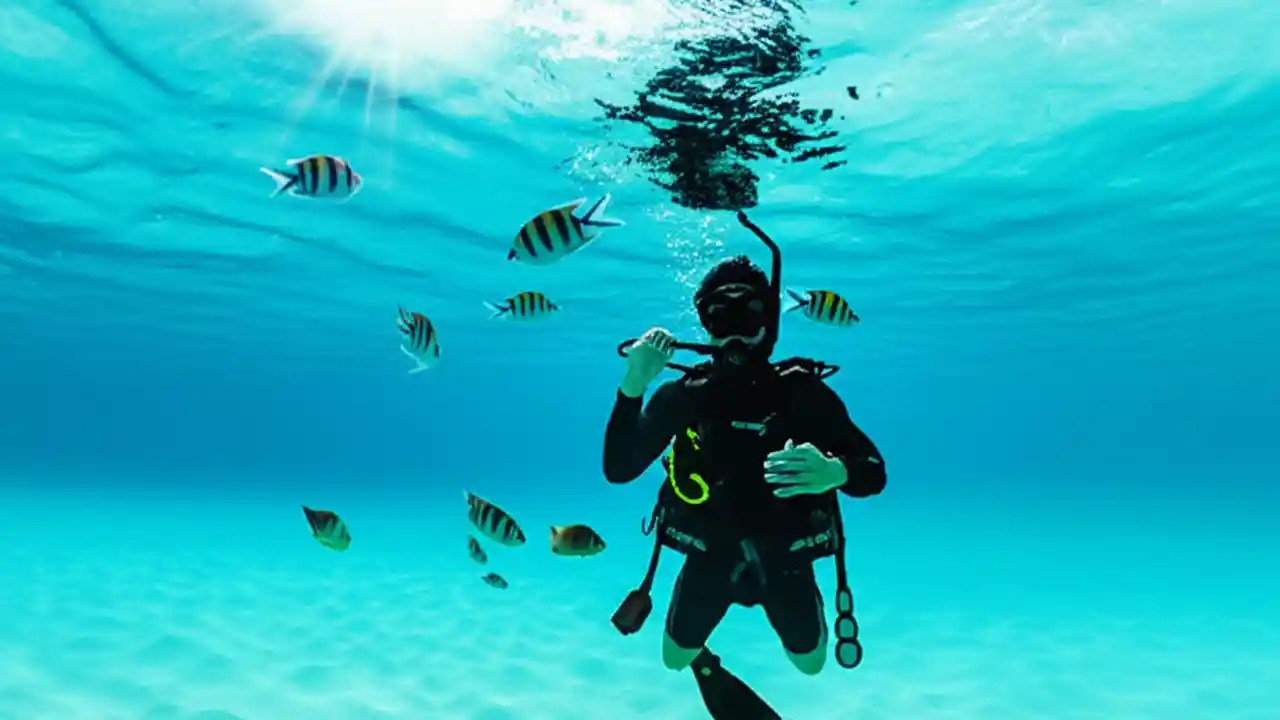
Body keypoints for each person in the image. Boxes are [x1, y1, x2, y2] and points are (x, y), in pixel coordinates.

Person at [604, 252, 887, 680]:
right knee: (674, 659)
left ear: (769, 323)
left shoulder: (802, 394)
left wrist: (838, 471)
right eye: (721, 317)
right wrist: (633, 385)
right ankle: (704, 661)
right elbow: (619, 468)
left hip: (786, 556)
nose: (735, 333)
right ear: (705, 324)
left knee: (810, 665)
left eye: (748, 314)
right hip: (710, 553)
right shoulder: (687, 395)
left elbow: (874, 470)